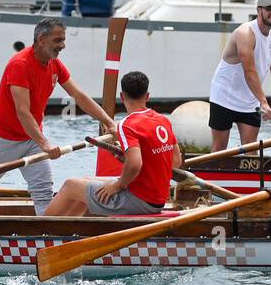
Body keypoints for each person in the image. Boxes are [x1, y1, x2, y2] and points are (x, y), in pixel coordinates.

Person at [0, 17, 114, 211]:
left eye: (63, 40)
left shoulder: (55, 64)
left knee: (43, 191)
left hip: (31, 139)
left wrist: (108, 121)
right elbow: (22, 112)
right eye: (58, 40)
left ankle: (46, 234)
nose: (62, 45)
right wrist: (45, 144)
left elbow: (79, 96)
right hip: (3, 139)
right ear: (41, 39)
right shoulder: (20, 64)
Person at [47, 71, 182, 216]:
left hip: (139, 201)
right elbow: (176, 161)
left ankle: (40, 228)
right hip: (158, 199)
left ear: (122, 96)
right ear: (147, 96)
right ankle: (66, 229)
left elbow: (135, 164)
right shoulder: (162, 120)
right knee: (84, 181)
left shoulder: (127, 125)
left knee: (70, 185)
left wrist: (118, 185)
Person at [208, 0, 271, 150]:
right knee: (219, 150)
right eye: (270, 9)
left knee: (251, 150)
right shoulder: (245, 34)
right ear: (259, 10)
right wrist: (264, 103)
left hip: (250, 101)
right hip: (224, 97)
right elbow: (249, 71)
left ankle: (248, 174)